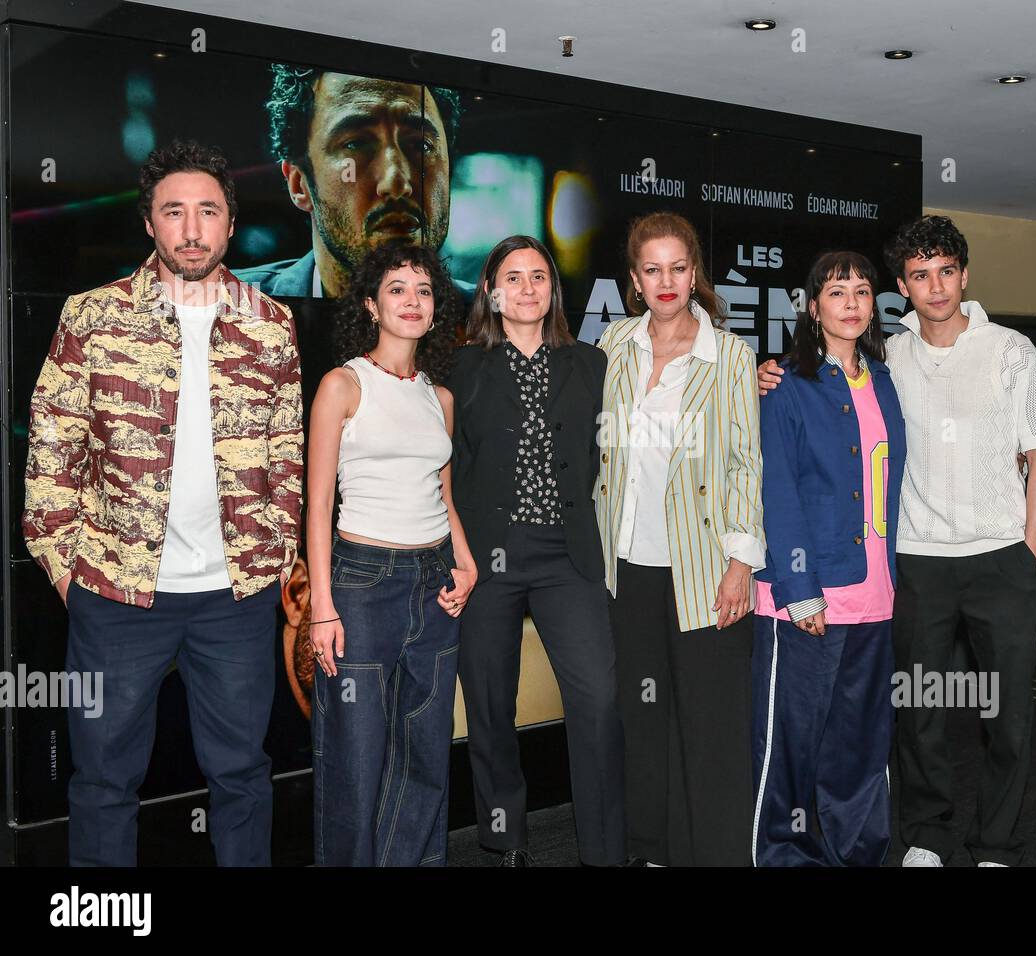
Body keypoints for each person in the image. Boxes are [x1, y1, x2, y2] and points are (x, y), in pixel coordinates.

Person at [22, 140, 302, 866]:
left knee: (242, 774)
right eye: (173, 211)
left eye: (208, 210)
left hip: (235, 597)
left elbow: (288, 457)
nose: (191, 228)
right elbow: (51, 458)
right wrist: (70, 575)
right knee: (103, 779)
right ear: (149, 224)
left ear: (230, 224)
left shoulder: (270, 324)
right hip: (115, 596)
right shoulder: (92, 317)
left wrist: (273, 557)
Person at [759, 216, 1036, 866]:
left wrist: (1027, 553)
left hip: (1001, 558)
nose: (936, 285)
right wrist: (772, 371)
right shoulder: (887, 358)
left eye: (946, 270)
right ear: (902, 286)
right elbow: (818, 385)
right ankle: (925, 836)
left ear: (964, 274)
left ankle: (997, 845)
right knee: (919, 713)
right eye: (920, 275)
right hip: (918, 564)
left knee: (1006, 718)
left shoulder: (1013, 350)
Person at [448, 235, 624, 867]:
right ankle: (506, 839)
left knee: (599, 699)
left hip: (567, 555)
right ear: (491, 292)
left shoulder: (592, 365)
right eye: (513, 277)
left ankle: (605, 848)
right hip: (485, 556)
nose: (528, 288)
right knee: (490, 702)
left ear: (554, 290)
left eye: (540, 277)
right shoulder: (461, 368)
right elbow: (446, 471)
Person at [595, 211, 765, 866]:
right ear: (635, 280)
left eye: (677, 267)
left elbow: (746, 465)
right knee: (643, 721)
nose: (665, 281)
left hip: (703, 569)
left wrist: (740, 563)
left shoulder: (730, 357)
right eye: (651, 269)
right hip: (626, 568)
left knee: (711, 728)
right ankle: (653, 851)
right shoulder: (612, 345)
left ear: (694, 273)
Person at [305, 242, 475, 866]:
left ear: (436, 309)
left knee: (425, 754)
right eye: (397, 289)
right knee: (354, 758)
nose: (412, 301)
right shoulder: (343, 385)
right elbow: (317, 505)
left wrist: (466, 560)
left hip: (434, 584)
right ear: (372, 305)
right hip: (361, 584)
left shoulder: (441, 398)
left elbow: (443, 493)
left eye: (424, 291)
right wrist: (322, 607)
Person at [751, 251, 906, 867]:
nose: (851, 302)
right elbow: (777, 486)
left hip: (874, 592)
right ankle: (783, 857)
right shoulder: (786, 382)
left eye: (862, 291)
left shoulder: (886, 379)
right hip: (806, 595)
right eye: (836, 292)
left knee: (862, 742)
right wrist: (798, 585)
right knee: (788, 746)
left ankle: (858, 852)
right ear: (813, 307)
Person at [234, 65, 462, 298]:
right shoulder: (223, 309)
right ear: (299, 184)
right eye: (355, 145)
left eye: (420, 146)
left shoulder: (490, 318)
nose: (396, 183)